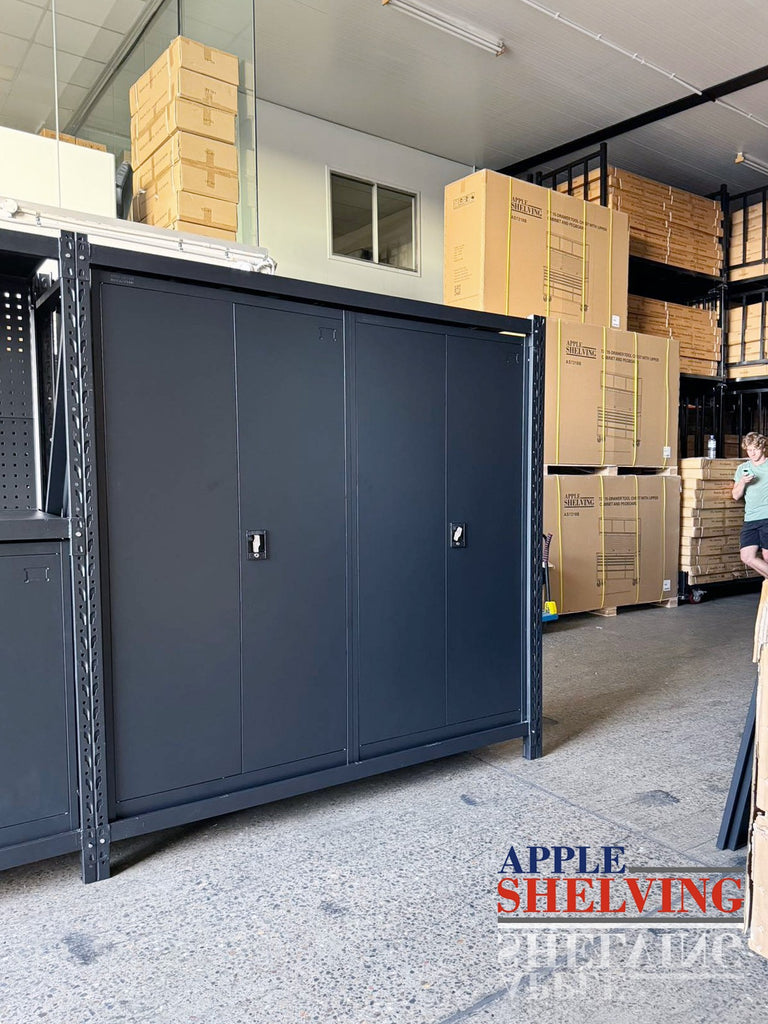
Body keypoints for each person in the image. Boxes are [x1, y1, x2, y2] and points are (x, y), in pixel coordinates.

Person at [733, 431, 768, 579]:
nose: (752, 453)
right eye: (749, 449)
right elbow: (735, 496)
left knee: (767, 558)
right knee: (746, 556)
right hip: (751, 518)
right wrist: (743, 481)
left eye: (755, 449)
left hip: (767, 517)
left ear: (763, 448)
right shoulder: (742, 469)